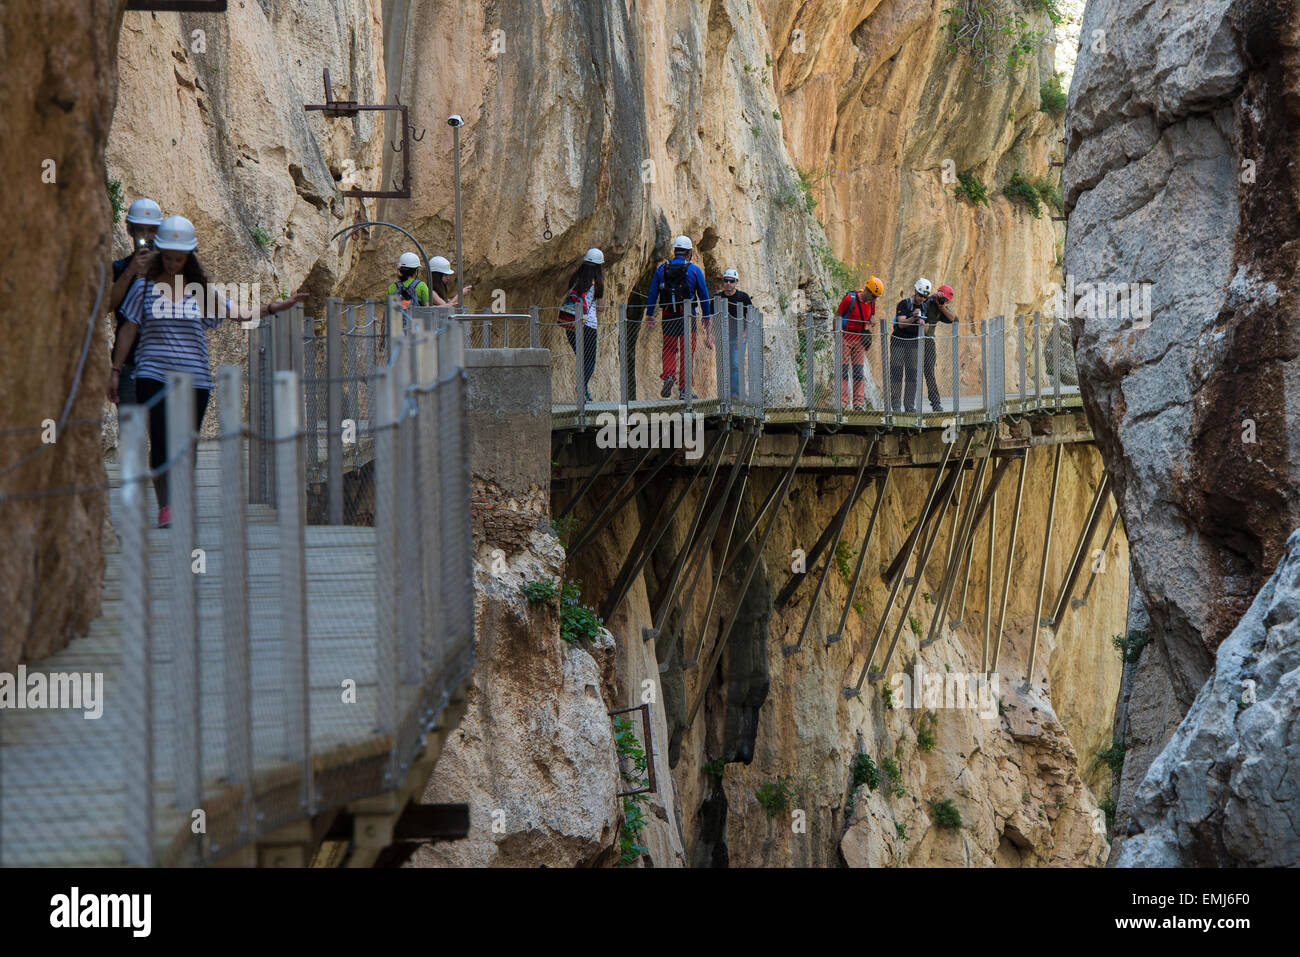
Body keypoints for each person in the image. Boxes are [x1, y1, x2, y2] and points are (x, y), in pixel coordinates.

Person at [107, 215, 307, 528]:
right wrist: (116, 370)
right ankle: (166, 508)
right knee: (160, 440)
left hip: (194, 378)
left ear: (189, 258)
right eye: (169, 258)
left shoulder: (200, 291)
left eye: (180, 258)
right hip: (152, 374)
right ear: (160, 254)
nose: (173, 264)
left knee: (186, 442)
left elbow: (237, 314)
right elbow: (129, 330)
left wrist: (273, 308)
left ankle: (181, 497)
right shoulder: (143, 288)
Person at [109, 198, 164, 407]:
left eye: (152, 230)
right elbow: (107, 305)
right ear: (130, 230)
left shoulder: (171, 271)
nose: (146, 237)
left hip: (163, 365)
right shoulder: (121, 268)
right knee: (132, 436)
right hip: (129, 364)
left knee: (166, 435)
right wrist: (133, 270)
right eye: (140, 230)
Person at [645, 235, 713, 399]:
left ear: (675, 251)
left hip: (669, 315)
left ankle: (668, 376)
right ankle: (685, 390)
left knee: (669, 348)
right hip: (688, 316)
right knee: (686, 352)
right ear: (689, 252)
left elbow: (653, 292)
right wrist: (706, 316)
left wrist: (649, 314)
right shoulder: (694, 270)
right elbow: (703, 295)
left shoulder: (662, 269)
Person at [560, 248, 605, 402]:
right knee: (589, 359)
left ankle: (584, 390)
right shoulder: (597, 283)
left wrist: (569, 275)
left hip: (571, 323)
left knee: (581, 357)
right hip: (589, 324)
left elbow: (558, 292)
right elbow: (600, 308)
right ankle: (582, 386)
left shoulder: (575, 278)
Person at [836, 276, 883, 410]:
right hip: (845, 337)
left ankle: (858, 403)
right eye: (873, 295)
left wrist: (872, 319)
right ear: (867, 290)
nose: (874, 299)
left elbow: (871, 315)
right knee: (843, 370)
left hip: (859, 340)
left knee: (858, 371)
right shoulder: (850, 300)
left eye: (876, 297)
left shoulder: (871, 303)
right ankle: (843, 401)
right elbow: (838, 314)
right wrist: (837, 334)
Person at [892, 279, 931, 412]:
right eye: (920, 295)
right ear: (915, 291)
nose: (922, 299)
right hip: (899, 341)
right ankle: (896, 406)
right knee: (896, 373)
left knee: (912, 374)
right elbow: (901, 324)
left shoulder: (925, 307)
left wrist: (922, 324)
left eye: (925, 297)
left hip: (914, 343)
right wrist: (914, 318)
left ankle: (909, 406)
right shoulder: (904, 304)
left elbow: (927, 329)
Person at [921, 284, 957, 412]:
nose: (944, 301)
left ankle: (935, 403)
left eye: (946, 300)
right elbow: (916, 302)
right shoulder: (927, 301)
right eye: (943, 298)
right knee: (912, 372)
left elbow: (955, 319)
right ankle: (909, 406)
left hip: (929, 342)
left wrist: (943, 308)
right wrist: (931, 296)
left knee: (929, 372)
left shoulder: (941, 308)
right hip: (915, 340)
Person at [718, 268, 752, 400]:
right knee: (725, 365)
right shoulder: (718, 298)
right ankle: (725, 393)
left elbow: (750, 316)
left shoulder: (743, 297)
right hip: (724, 337)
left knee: (736, 364)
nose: (728, 283)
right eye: (726, 280)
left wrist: (744, 335)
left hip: (739, 336)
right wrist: (711, 336)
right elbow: (709, 317)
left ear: (736, 282)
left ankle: (735, 394)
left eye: (731, 281)